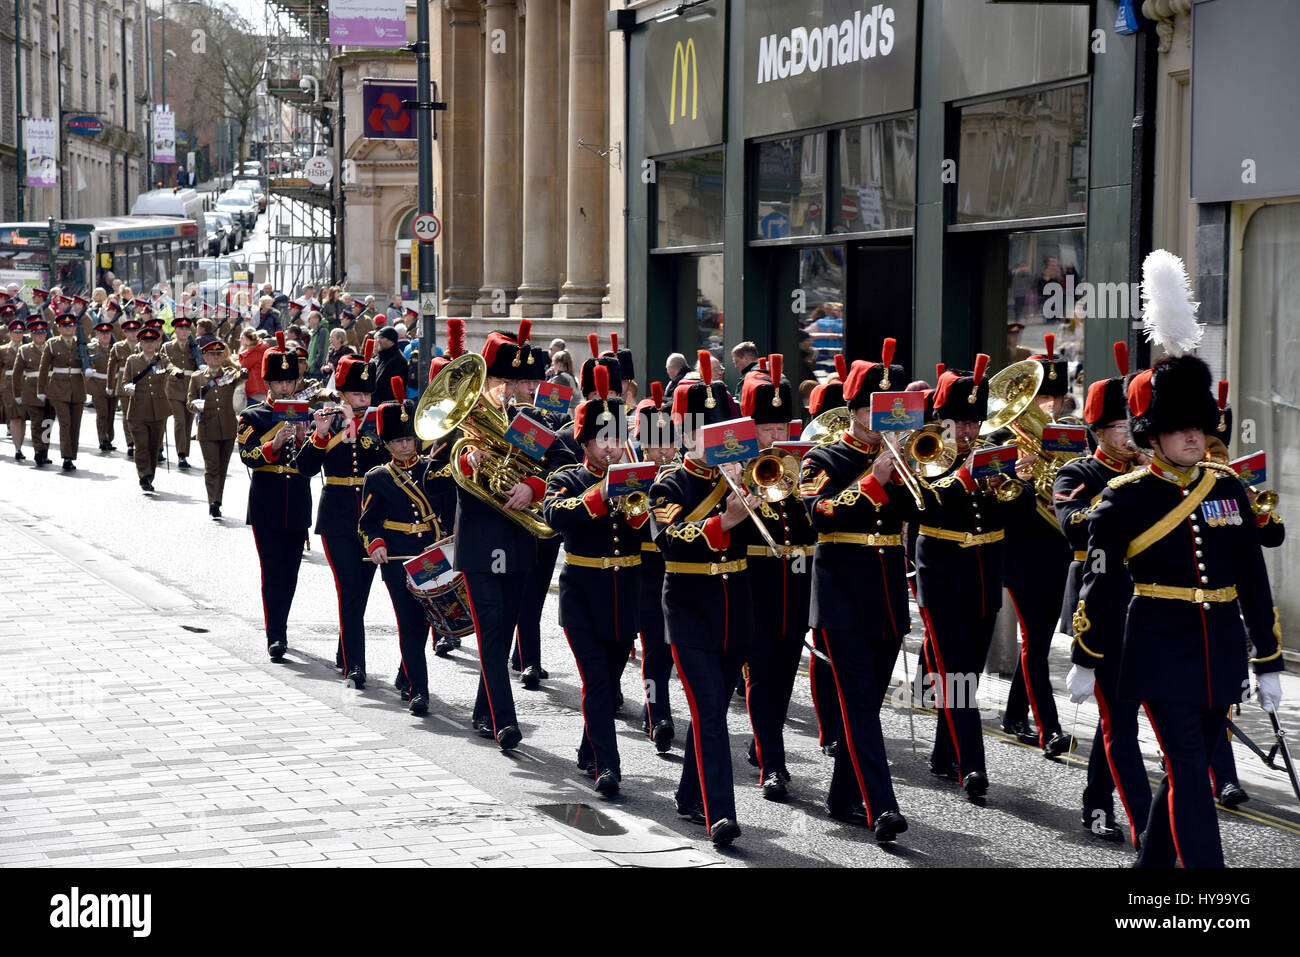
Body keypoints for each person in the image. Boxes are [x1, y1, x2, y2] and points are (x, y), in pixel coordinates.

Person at [1068, 355, 1284, 868]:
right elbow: (1102, 581)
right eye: (1179, 428)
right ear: (1153, 435)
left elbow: (1252, 578)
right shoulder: (1123, 499)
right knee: (1189, 769)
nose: (1193, 437)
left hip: (1220, 650)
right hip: (1160, 650)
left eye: (1197, 427)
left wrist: (1269, 658)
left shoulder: (1227, 486)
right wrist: (1086, 653)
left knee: (1186, 768)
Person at [797, 343, 912, 839]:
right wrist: (873, 480)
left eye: (890, 412)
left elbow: (926, 512)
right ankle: (881, 807)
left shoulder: (906, 454)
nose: (881, 420)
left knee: (865, 704)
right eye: (872, 411)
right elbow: (817, 513)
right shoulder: (823, 456)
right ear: (853, 411)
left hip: (887, 594)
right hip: (841, 595)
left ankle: (842, 793)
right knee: (861, 704)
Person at [917, 356, 1033, 800]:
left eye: (973, 422)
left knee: (969, 670)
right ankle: (973, 765)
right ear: (941, 420)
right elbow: (927, 504)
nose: (967, 431)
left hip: (986, 574)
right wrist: (967, 476)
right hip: (942, 573)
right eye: (958, 422)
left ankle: (944, 754)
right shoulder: (925, 451)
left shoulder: (994, 453)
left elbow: (1018, 514)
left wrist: (1017, 483)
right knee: (953, 673)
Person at [651, 351, 755, 846]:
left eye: (725, 428)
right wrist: (727, 520)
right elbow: (669, 539)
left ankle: (691, 795)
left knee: (708, 712)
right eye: (708, 429)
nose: (719, 438)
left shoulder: (745, 476)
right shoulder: (667, 482)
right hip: (689, 608)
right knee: (711, 710)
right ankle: (722, 813)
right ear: (686, 432)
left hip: (736, 608)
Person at [454, 329, 575, 750]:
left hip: (521, 538)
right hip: (479, 540)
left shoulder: (532, 423)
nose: (524, 390)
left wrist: (534, 487)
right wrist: (469, 460)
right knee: (490, 629)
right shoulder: (464, 420)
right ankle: (505, 719)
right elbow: (436, 468)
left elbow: (563, 466)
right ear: (491, 382)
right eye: (515, 383)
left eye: (528, 383)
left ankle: (483, 710)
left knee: (503, 630)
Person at [1053, 341, 1150, 847]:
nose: (1130, 436)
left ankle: (1107, 799)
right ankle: (1107, 808)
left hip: (1149, 604)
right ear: (1097, 431)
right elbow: (1071, 525)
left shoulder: (1149, 472)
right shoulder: (1079, 473)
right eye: (1119, 428)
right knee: (1119, 717)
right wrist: (1121, 502)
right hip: (1101, 601)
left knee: (1128, 714)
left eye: (1132, 426)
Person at [543, 366, 645, 795]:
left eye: (618, 438)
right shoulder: (567, 478)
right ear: (585, 442)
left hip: (626, 595)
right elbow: (555, 516)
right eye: (604, 439)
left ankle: (589, 750)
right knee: (597, 681)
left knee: (610, 679)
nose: (612, 447)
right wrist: (600, 494)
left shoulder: (636, 476)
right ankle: (608, 764)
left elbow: (650, 526)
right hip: (583, 592)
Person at [736, 355, 819, 803]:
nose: (776, 437)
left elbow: (813, 529)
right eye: (767, 429)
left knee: (785, 675)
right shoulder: (738, 469)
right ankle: (773, 764)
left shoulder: (799, 465)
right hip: (754, 588)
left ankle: (761, 738)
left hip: (796, 587)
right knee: (762, 676)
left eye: (782, 426)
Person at [358, 377, 456, 714]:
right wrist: (377, 545)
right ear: (386, 443)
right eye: (398, 441)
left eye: (409, 439)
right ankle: (419, 691)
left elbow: (452, 500)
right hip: (398, 560)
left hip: (431, 555)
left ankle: (406, 674)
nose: (405, 446)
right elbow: (367, 523)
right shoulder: (377, 477)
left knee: (425, 621)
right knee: (408, 622)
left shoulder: (433, 470)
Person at [999, 334, 1075, 756]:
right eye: (1041, 398)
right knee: (1034, 640)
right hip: (1024, 555)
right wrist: (1020, 479)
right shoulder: (1005, 446)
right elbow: (1000, 508)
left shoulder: (1074, 439)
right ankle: (1049, 728)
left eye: (1055, 399)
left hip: (1059, 554)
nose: (1048, 407)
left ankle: (1013, 715)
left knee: (1041, 642)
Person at [296, 353, 387, 685]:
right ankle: (355, 665)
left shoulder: (379, 422)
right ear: (343, 393)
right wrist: (320, 434)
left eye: (367, 394)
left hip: (372, 517)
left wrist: (360, 426)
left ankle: (343, 651)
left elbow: (388, 460)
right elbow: (305, 469)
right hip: (336, 517)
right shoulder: (328, 420)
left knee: (360, 591)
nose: (363, 399)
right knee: (349, 588)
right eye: (356, 394)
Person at [236, 331, 314, 661]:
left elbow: (314, 465)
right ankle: (275, 634)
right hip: (266, 500)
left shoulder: (307, 413)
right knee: (272, 571)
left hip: (297, 499)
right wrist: (274, 444)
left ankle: (281, 624)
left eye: (289, 382)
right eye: (278, 382)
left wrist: (311, 438)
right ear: (267, 382)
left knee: (292, 572)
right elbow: (248, 457)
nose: (285, 388)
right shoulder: (252, 416)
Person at [632, 381, 679, 753]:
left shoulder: (684, 475)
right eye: (655, 443)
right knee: (654, 651)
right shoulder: (632, 473)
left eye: (668, 442)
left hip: (680, 571)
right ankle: (657, 712)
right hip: (645, 570)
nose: (662, 450)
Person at [187, 336, 249, 519]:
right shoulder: (197, 378)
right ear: (204, 357)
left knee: (222, 467)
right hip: (207, 427)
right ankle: (213, 501)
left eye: (218, 354)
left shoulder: (230, 374)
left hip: (228, 427)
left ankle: (218, 499)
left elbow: (242, 376)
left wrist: (244, 371)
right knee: (211, 467)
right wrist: (195, 406)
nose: (215, 357)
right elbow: (189, 401)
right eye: (212, 355)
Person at [117, 326, 172, 491]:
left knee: (154, 446)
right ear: (140, 343)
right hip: (137, 409)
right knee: (141, 445)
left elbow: (170, 367)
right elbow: (125, 381)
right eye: (146, 341)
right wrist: (129, 387)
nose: (149, 344)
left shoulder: (162, 359)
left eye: (152, 341)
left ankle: (150, 476)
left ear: (157, 342)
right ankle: (143, 475)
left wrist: (176, 372)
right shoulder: (132, 360)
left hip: (158, 410)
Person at [37, 313, 88, 471]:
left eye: (71, 326)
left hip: (77, 388)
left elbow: (88, 361)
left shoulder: (81, 343)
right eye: (65, 326)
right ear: (59, 328)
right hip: (58, 389)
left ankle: (72, 454)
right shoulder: (52, 344)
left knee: (75, 424)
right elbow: (44, 368)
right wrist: (41, 390)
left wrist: (89, 368)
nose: (69, 329)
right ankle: (66, 456)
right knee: (65, 423)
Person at [12, 317, 53, 466]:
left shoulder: (52, 348)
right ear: (31, 335)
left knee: (48, 423)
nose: (39, 336)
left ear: (46, 334)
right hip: (32, 391)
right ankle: (38, 450)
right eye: (36, 333)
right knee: (36, 423)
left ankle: (45, 450)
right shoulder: (24, 350)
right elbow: (17, 374)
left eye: (42, 333)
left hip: (51, 390)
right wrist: (17, 394)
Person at [161, 316, 199, 471]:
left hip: (191, 388)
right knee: (180, 421)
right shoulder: (167, 347)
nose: (184, 332)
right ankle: (181, 454)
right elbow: (164, 363)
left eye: (186, 329)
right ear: (175, 331)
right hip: (174, 387)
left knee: (188, 422)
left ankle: (185, 453)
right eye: (181, 329)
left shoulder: (194, 347)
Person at [107, 317, 142, 458]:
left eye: (135, 331)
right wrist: (109, 385)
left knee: (140, 415)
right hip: (124, 384)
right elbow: (111, 368)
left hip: (141, 384)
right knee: (127, 416)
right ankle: (130, 443)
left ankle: (139, 441)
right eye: (130, 331)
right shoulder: (117, 347)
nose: (133, 334)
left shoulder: (144, 345)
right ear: (125, 333)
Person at [2, 310, 27, 460]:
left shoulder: (27, 349)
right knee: (14, 417)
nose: (17, 335)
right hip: (8, 386)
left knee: (22, 417)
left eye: (20, 332)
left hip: (25, 386)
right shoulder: (3, 350)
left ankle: (20, 445)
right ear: (10, 333)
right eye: (15, 332)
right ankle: (17, 449)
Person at [370, 327, 408, 405]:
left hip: (387, 406)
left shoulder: (398, 360)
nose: (378, 341)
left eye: (382, 338)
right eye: (378, 338)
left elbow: (393, 391)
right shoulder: (381, 357)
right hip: (375, 404)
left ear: (391, 340)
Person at [238, 328, 269, 405]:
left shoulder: (254, 352)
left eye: (242, 338)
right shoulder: (262, 347)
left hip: (255, 392)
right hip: (263, 388)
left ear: (246, 339)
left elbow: (242, 367)